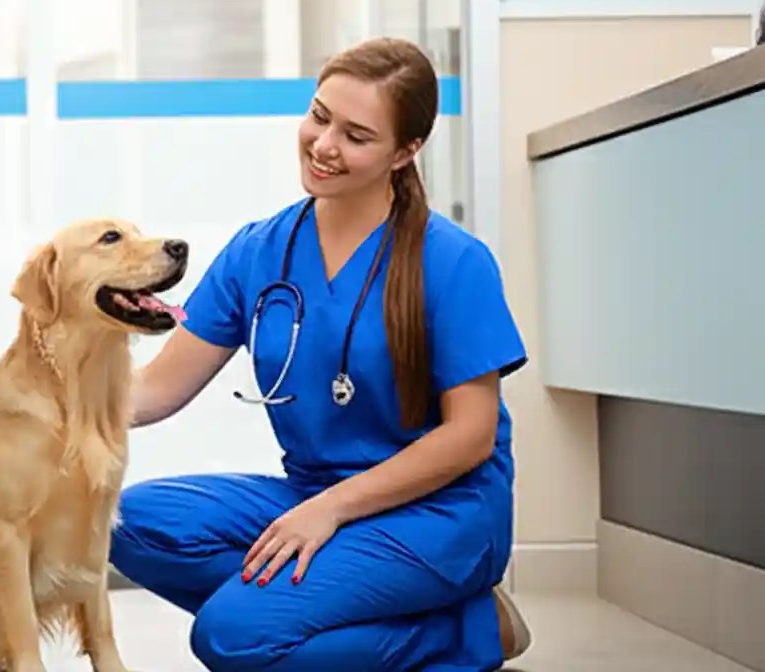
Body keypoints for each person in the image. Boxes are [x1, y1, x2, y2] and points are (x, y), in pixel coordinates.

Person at [108, 36, 533, 671]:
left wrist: (331, 511)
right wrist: (47, 403)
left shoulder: (454, 262)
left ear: (405, 151)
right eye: (319, 116)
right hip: (312, 492)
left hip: (439, 513)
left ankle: (464, 632)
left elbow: (470, 438)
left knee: (228, 637)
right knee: (126, 523)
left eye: (357, 136)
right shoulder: (260, 251)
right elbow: (158, 390)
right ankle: (360, 615)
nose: (324, 145)